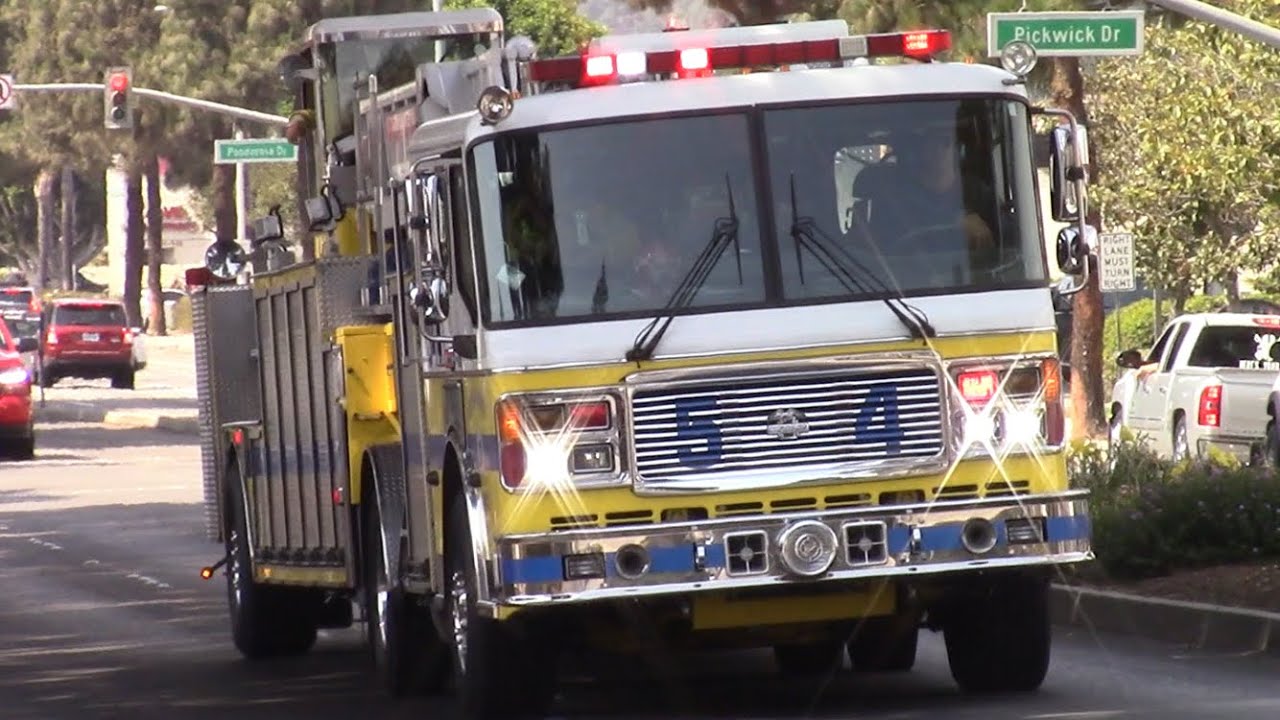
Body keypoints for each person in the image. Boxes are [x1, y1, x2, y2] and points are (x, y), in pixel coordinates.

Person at [861, 123, 995, 257]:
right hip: (906, 275)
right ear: (920, 150)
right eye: (932, 142)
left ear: (957, 148)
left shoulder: (977, 192)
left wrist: (984, 229)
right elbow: (878, 252)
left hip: (976, 276)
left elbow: (1010, 237)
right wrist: (957, 220)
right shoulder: (895, 199)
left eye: (945, 141)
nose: (939, 150)